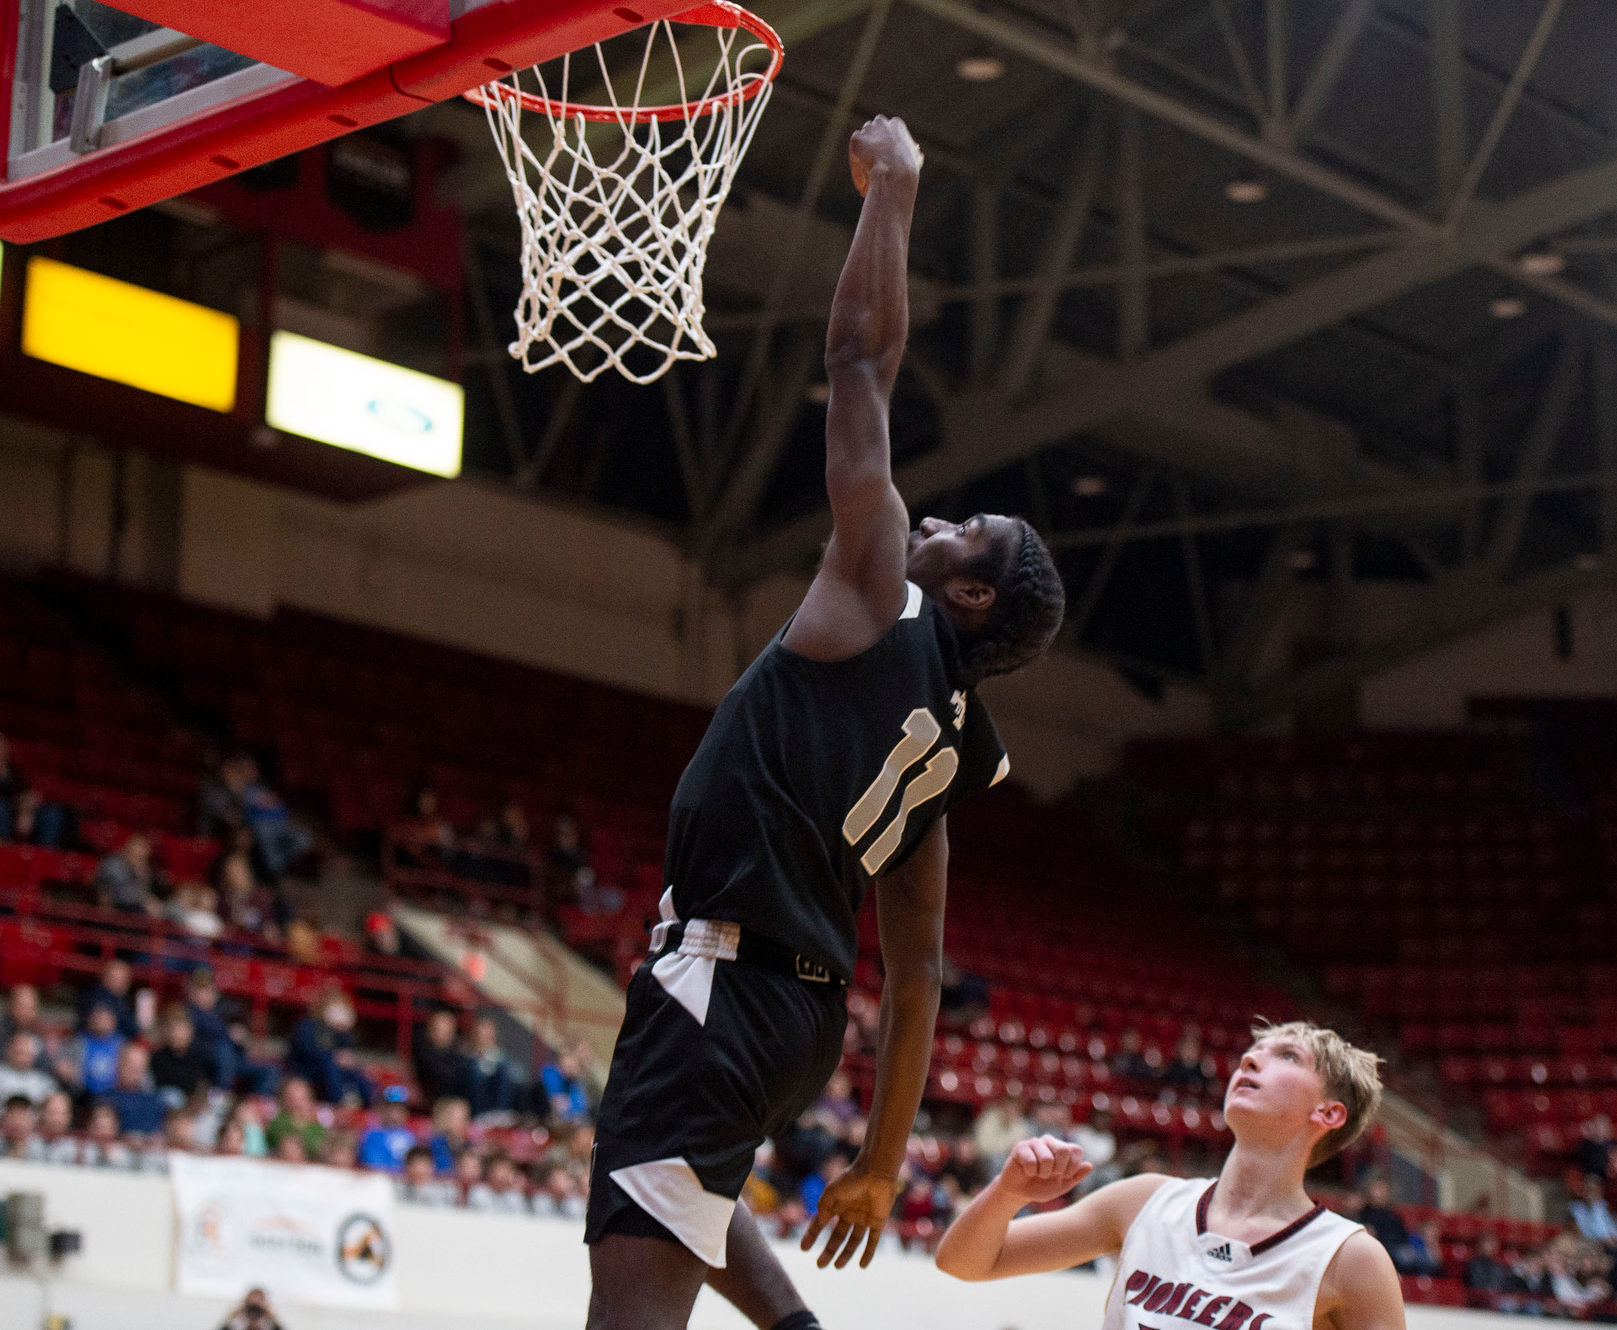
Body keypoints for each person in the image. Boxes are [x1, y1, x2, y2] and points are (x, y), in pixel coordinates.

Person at [584, 120, 1063, 1330]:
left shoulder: (874, 592)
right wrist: (880, 1160)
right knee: (675, 1183)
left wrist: (893, 188)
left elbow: (857, 361)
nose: (936, 520)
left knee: (631, 1289)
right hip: (796, 1023)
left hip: (724, 981)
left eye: (965, 534)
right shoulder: (949, 752)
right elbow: (917, 975)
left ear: (969, 594)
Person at [934, 1022, 1402, 1330]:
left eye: (1288, 1057)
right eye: (1252, 1052)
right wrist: (1008, 1193)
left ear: (1328, 1113)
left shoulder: (1349, 1259)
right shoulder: (1144, 1201)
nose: (1249, 1060)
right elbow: (964, 1262)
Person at [1568, 1174, 1617, 1295]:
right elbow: (1579, 1230)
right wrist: (1605, 1239)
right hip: (1592, 1243)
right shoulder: (1578, 1208)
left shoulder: (1605, 1206)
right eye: (1589, 1189)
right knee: (1616, 1255)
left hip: (1612, 1243)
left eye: (1595, 1189)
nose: (1592, 1193)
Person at [0, 1032, 59, 1116]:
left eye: (26, 1054)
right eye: (18, 1052)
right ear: (7, 1050)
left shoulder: (43, 1081)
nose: (22, 1058)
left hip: (33, 1125)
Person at [100, 1042, 167, 1141]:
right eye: (130, 1064)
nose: (135, 1070)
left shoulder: (154, 1102)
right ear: (119, 1064)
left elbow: (159, 1134)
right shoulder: (104, 1099)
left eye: (140, 1066)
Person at [151, 1008, 216, 1105]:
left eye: (182, 1030)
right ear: (167, 1032)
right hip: (169, 1103)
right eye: (174, 1030)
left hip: (194, 1102)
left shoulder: (198, 1056)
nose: (178, 1035)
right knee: (172, 1096)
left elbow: (202, 1082)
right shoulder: (158, 1057)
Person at [93, 834, 164, 914]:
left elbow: (145, 891)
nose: (141, 853)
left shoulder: (144, 869)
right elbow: (121, 894)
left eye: (145, 849)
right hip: (112, 907)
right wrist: (145, 901)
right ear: (128, 848)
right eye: (138, 847)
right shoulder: (114, 864)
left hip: (131, 908)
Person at [413, 1009, 469, 1103]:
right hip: (436, 1099)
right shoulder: (421, 1050)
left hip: (459, 1100)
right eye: (438, 1030)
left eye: (448, 1031)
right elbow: (443, 1075)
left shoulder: (459, 1050)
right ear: (430, 1029)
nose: (443, 1035)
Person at [358, 1085, 419, 1172]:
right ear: (382, 1109)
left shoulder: (409, 1136)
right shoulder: (372, 1135)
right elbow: (373, 1164)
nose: (395, 1114)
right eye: (391, 1108)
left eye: (400, 1109)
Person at [0, 984, 48, 1065]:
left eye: (30, 1008)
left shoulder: (39, 1033)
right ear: (10, 1007)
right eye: (22, 1006)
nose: (26, 1012)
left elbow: (44, 1064)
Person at [0, 1095, 42, 1159]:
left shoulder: (39, 1147)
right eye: (13, 1114)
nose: (17, 1121)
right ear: (3, 1117)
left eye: (22, 1115)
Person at [219, 1287, 284, 1330]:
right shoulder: (237, 1322)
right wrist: (230, 1318)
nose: (255, 1301)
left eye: (259, 1299)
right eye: (252, 1299)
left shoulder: (268, 1323)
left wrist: (274, 1320)